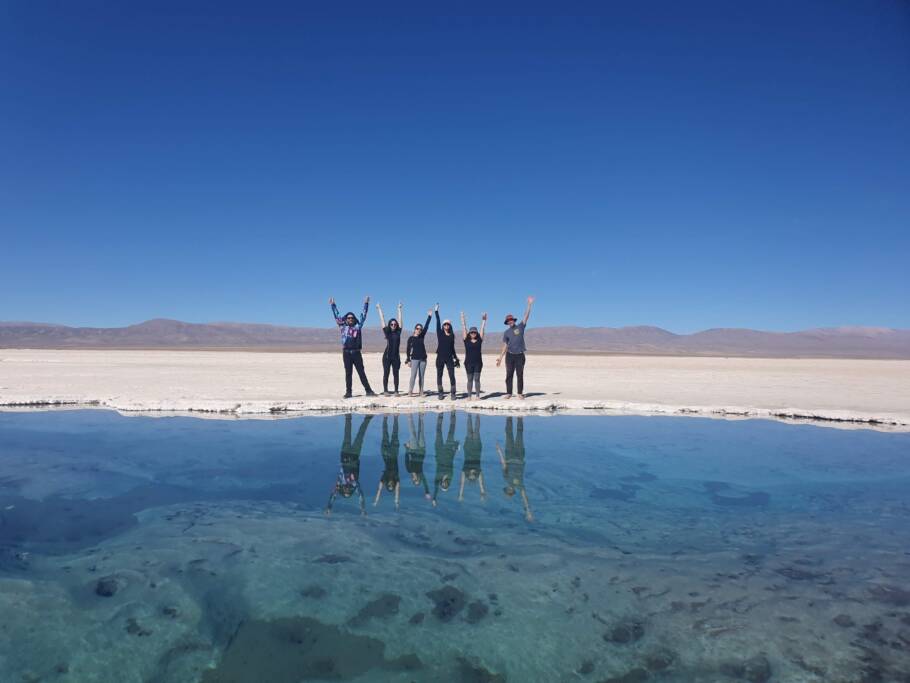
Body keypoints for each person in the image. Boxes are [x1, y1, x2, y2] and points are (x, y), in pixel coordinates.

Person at [325, 413, 374, 515]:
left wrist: (329, 507)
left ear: (343, 490)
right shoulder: (354, 484)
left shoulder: (339, 483)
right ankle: (368, 418)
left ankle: (348, 417)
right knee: (360, 435)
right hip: (355, 456)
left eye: (345, 492)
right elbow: (360, 495)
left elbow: (333, 496)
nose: (347, 490)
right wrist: (363, 509)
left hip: (345, 455)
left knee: (347, 434)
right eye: (349, 492)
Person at [330, 296, 377, 399]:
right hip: (346, 353)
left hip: (356, 353)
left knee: (361, 372)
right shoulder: (342, 327)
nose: (350, 319)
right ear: (346, 319)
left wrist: (366, 304)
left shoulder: (357, 327)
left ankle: (368, 390)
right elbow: (337, 316)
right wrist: (333, 305)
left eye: (352, 318)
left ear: (354, 319)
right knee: (348, 373)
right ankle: (348, 392)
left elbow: (363, 316)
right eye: (348, 318)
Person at [496, 296, 534, 399]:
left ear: (513, 320)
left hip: (520, 355)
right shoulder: (506, 333)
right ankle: (509, 393)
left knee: (520, 374)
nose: (510, 322)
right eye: (508, 321)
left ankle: (520, 393)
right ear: (507, 323)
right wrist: (500, 358)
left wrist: (529, 305)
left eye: (511, 320)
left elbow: (526, 316)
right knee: (509, 374)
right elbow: (505, 346)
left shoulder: (520, 327)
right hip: (510, 355)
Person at [495, 416, 533, 522]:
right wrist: (528, 512)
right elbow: (524, 498)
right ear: (512, 491)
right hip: (520, 456)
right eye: (509, 491)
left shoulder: (506, 479)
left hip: (509, 454)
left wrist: (499, 451)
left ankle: (508, 417)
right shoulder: (520, 486)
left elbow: (503, 464)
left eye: (506, 490)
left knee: (508, 433)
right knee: (519, 434)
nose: (508, 489)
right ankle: (520, 418)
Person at [432, 411, 459, 507]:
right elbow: (452, 460)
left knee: (438, 432)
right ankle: (453, 414)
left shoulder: (438, 477)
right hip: (449, 451)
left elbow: (435, 488)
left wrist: (434, 498)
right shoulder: (450, 475)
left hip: (439, 452)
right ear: (448, 484)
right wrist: (455, 448)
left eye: (443, 485)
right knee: (451, 431)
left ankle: (440, 414)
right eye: (446, 485)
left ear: (441, 484)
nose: (444, 484)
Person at [376, 301, 403, 396]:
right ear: (389, 325)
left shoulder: (399, 332)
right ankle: (386, 390)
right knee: (386, 373)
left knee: (396, 374)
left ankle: (396, 391)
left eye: (395, 324)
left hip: (396, 356)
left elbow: (400, 320)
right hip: (387, 356)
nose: (393, 325)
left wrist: (399, 309)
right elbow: (382, 319)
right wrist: (379, 309)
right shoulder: (387, 332)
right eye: (391, 324)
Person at [374, 415, 401, 509]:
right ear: (393, 485)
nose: (390, 484)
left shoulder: (384, 479)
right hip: (394, 453)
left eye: (389, 485)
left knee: (385, 434)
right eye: (391, 485)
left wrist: (376, 500)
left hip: (385, 453)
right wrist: (396, 501)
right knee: (395, 433)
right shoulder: (396, 479)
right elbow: (397, 491)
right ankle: (396, 418)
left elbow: (379, 490)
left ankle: (385, 418)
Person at [434, 304, 460, 400]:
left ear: (450, 326)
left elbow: (452, 348)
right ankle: (440, 393)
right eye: (445, 324)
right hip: (440, 357)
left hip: (449, 358)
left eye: (448, 324)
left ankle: (453, 393)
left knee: (452, 375)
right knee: (439, 375)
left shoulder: (452, 335)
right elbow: (437, 321)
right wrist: (436, 312)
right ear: (443, 326)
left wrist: (456, 358)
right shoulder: (439, 333)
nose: (446, 326)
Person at [458, 413, 486, 502]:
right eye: (474, 477)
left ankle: (469, 415)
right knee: (477, 431)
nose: (472, 476)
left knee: (469, 431)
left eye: (470, 477)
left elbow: (462, 483)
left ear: (468, 477)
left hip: (468, 447)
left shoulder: (465, 470)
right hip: (477, 448)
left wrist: (461, 494)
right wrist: (482, 492)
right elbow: (481, 483)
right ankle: (477, 415)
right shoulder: (478, 471)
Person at [460, 311, 487, 400]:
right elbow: (464, 328)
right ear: (469, 333)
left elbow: (482, 329)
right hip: (468, 363)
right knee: (470, 379)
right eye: (471, 332)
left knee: (477, 379)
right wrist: (463, 319)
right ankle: (469, 396)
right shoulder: (466, 340)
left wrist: (483, 321)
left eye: (474, 332)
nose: (473, 334)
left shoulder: (479, 340)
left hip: (478, 363)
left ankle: (478, 396)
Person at [406, 309, 433, 396]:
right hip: (414, 359)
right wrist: (408, 360)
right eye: (417, 329)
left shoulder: (422, 336)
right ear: (414, 329)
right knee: (413, 375)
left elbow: (426, 326)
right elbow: (408, 349)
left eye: (420, 329)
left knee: (421, 376)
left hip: (423, 359)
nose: (419, 330)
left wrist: (429, 316)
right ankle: (410, 391)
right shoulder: (411, 338)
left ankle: (421, 391)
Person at [405, 412, 431, 500]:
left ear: (413, 480)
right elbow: (425, 482)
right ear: (419, 479)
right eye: (417, 480)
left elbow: (406, 459)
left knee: (412, 433)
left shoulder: (409, 470)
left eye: (414, 481)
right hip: (421, 450)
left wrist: (407, 448)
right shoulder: (420, 472)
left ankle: (409, 416)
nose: (416, 479)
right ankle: (421, 417)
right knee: (421, 432)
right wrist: (427, 491)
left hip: (412, 449)